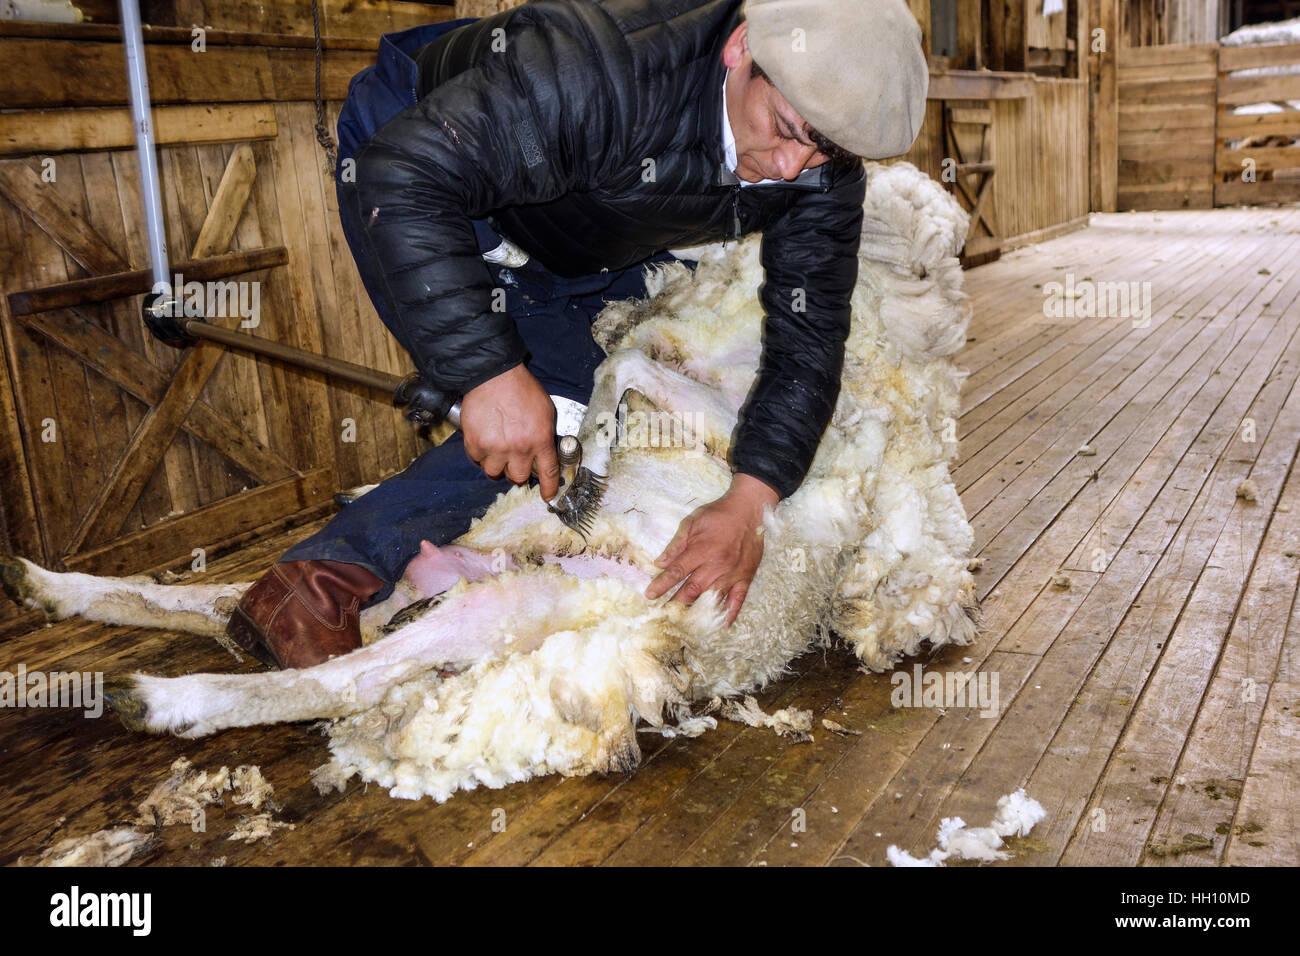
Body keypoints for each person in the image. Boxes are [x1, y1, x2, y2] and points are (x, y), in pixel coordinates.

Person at [226, 0, 928, 670]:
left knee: (614, 391)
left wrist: (752, 499)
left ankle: (479, 564)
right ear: (741, 48)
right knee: (544, 410)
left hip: (584, 222)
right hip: (422, 169)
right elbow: (405, 176)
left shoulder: (814, 174)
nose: (787, 169)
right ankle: (314, 586)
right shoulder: (602, 71)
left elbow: (809, 336)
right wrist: (488, 372)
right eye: (784, 127)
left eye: (823, 155)